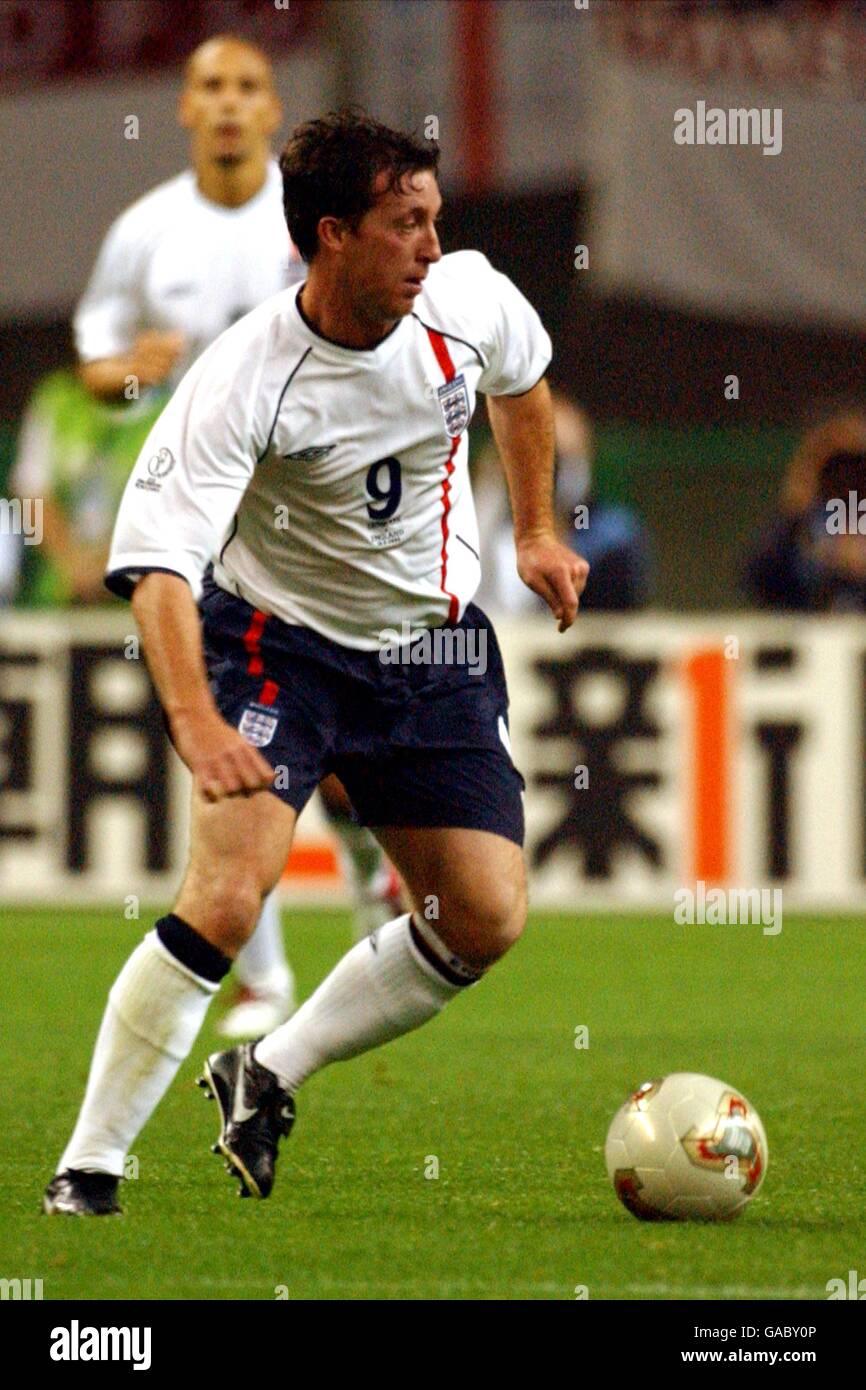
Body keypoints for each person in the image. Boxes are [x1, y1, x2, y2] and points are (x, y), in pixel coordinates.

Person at [43, 110, 588, 1216]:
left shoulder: (465, 300)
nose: (431, 246)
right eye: (405, 224)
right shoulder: (242, 377)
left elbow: (521, 384)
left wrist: (532, 530)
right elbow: (155, 572)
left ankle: (268, 1071)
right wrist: (195, 719)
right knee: (230, 896)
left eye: (433, 217)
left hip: (431, 651)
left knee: (480, 918)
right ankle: (88, 1167)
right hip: (275, 648)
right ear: (330, 235)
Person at [73, 33, 402, 1039]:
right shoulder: (143, 231)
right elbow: (92, 367)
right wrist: (133, 364)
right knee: (222, 743)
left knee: (320, 741)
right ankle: (262, 978)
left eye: (246, 88)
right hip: (201, 517)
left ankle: (357, 854)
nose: (226, 103)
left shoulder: (311, 225)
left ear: (271, 113)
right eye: (209, 86)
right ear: (183, 108)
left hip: (313, 515)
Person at [473, 389, 650, 616]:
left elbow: (590, 549)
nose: (554, 469)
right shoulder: (502, 533)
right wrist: (494, 482)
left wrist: (563, 520)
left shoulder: (604, 525)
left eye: (563, 458)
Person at [744, 408, 866, 611]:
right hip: (810, 631)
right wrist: (796, 504)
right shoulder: (806, 524)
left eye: (857, 465)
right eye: (837, 466)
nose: (848, 477)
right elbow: (757, 580)